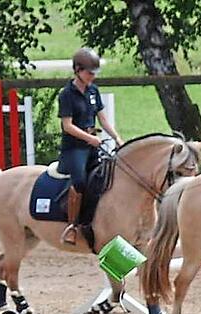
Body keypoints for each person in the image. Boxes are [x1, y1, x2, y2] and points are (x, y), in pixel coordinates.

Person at [58, 47, 122, 245]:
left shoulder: (94, 91)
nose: (93, 76)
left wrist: (118, 139)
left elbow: (103, 120)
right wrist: (88, 138)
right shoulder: (67, 94)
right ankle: (73, 226)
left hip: (92, 145)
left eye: (94, 73)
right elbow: (66, 125)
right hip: (74, 148)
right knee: (80, 182)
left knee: (105, 179)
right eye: (89, 72)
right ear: (77, 70)